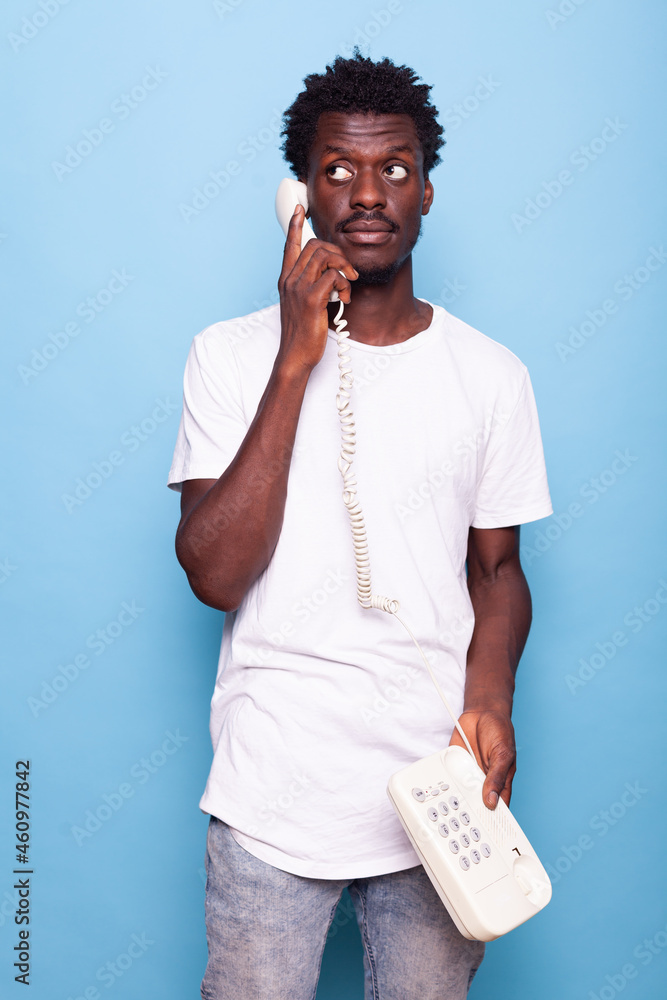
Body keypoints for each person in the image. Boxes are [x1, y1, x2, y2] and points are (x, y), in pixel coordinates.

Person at [168, 50, 552, 1000]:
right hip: (271, 790)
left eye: (394, 170)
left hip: (435, 792)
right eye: (338, 170)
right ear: (300, 194)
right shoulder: (227, 358)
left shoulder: (490, 375)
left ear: (426, 192)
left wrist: (493, 699)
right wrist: (297, 358)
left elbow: (496, 572)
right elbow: (215, 572)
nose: (367, 194)